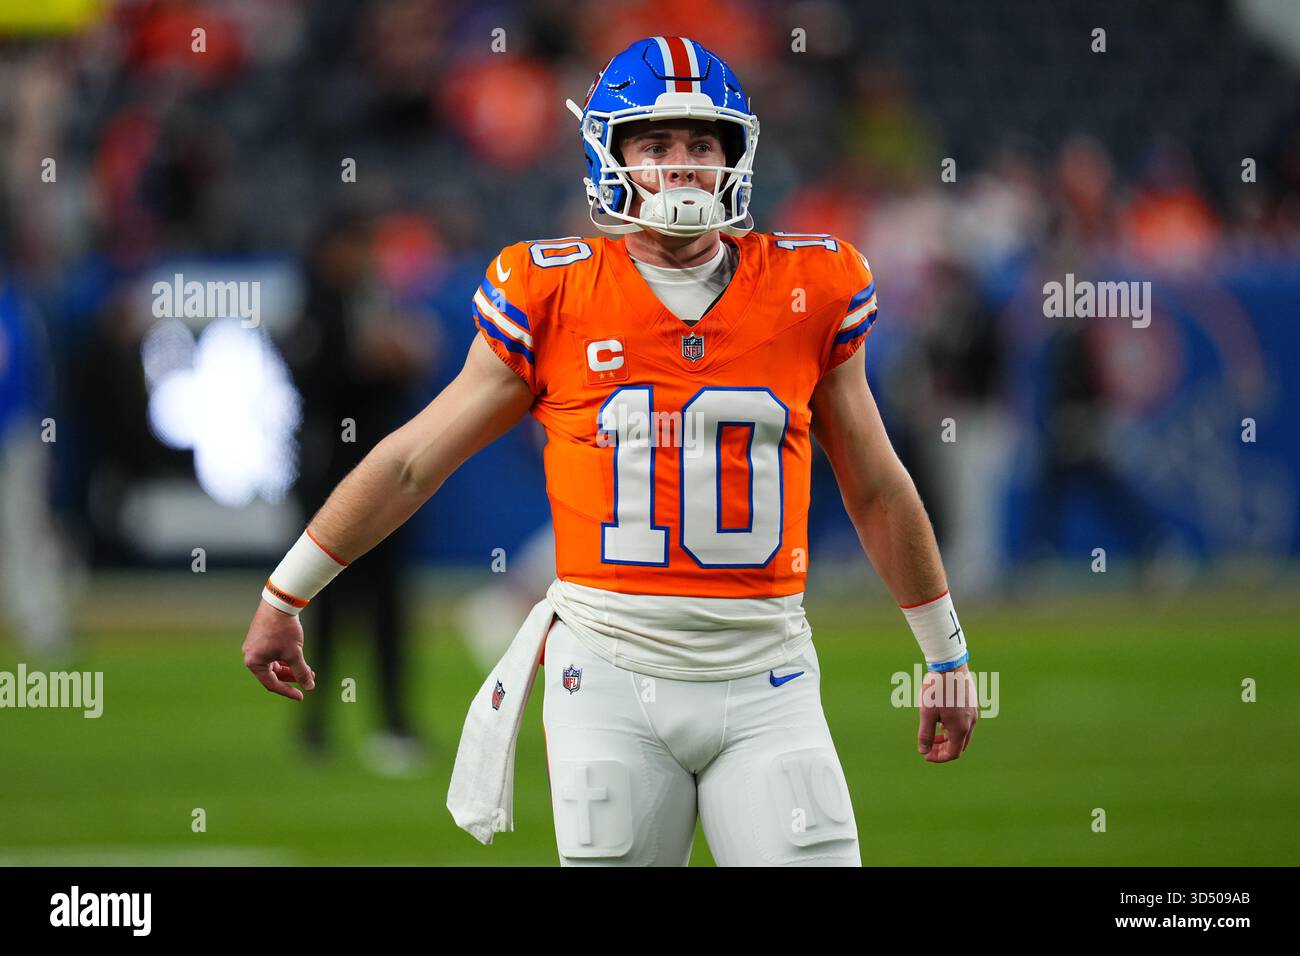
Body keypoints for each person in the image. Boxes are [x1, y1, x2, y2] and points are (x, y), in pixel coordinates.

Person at [242, 36, 977, 866]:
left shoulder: (810, 286)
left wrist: (946, 652)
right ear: (610, 156)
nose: (683, 165)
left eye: (702, 143)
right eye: (655, 143)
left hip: (770, 675)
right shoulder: (551, 290)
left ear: (735, 154)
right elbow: (414, 461)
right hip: (609, 679)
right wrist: (287, 592)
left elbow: (876, 488)